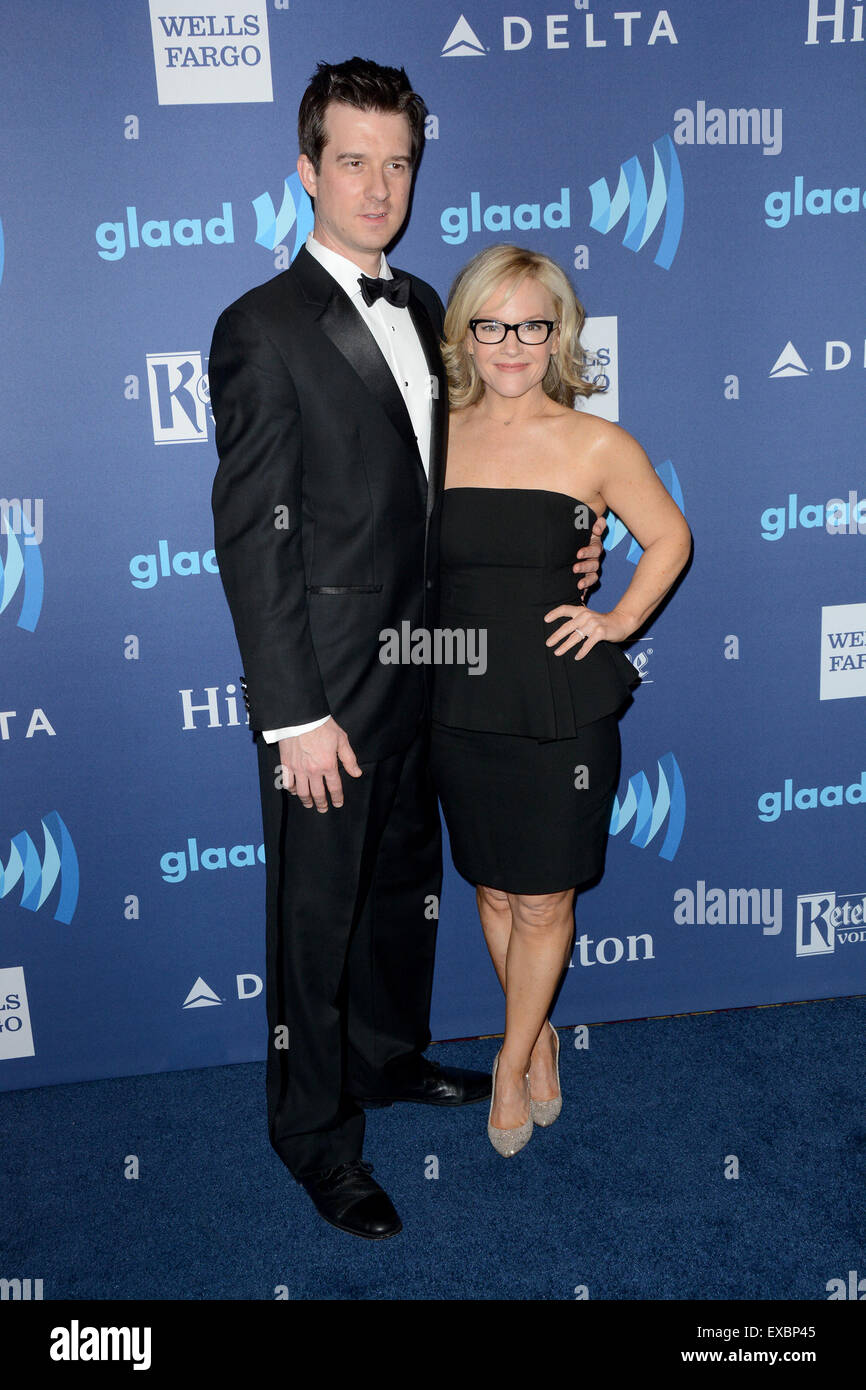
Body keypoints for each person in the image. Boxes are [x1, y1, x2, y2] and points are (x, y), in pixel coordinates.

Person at [209, 62, 605, 1237]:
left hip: (440, 669)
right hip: (326, 691)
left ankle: (385, 1059)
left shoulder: (433, 305)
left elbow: (480, 475)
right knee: (315, 918)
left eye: (397, 162)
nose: (378, 185)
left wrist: (569, 546)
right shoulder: (259, 328)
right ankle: (314, 1135)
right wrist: (294, 713)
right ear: (306, 170)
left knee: (399, 894)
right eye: (352, 161)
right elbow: (250, 538)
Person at [430, 243, 692, 1156]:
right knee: (494, 888)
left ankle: (507, 1066)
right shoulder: (431, 433)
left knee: (543, 900)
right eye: (492, 324)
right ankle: (535, 1039)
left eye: (532, 325)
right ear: (465, 332)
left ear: (557, 336)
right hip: (455, 693)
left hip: (555, 702)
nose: (511, 344)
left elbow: (669, 537)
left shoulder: (595, 442)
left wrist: (616, 619)